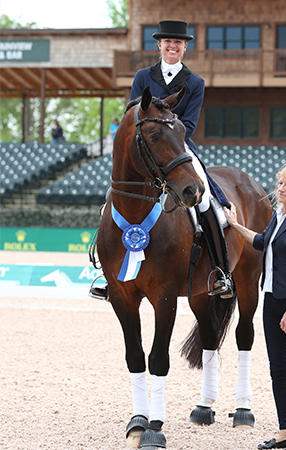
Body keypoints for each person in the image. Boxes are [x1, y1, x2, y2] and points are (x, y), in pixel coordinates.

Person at [90, 20, 234, 301]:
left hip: (178, 148)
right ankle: (110, 276)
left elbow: (189, 125)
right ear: (159, 45)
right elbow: (132, 113)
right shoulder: (143, 76)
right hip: (144, 149)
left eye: (178, 43)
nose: (172, 46)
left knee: (206, 203)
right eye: (168, 42)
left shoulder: (195, 83)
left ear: (184, 47)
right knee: (112, 200)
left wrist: (165, 134)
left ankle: (220, 272)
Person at [224, 163, 286, 450]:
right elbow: (262, 241)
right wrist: (236, 224)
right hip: (271, 302)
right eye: (279, 183)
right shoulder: (278, 217)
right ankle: (285, 430)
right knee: (277, 369)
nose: (280, 189)